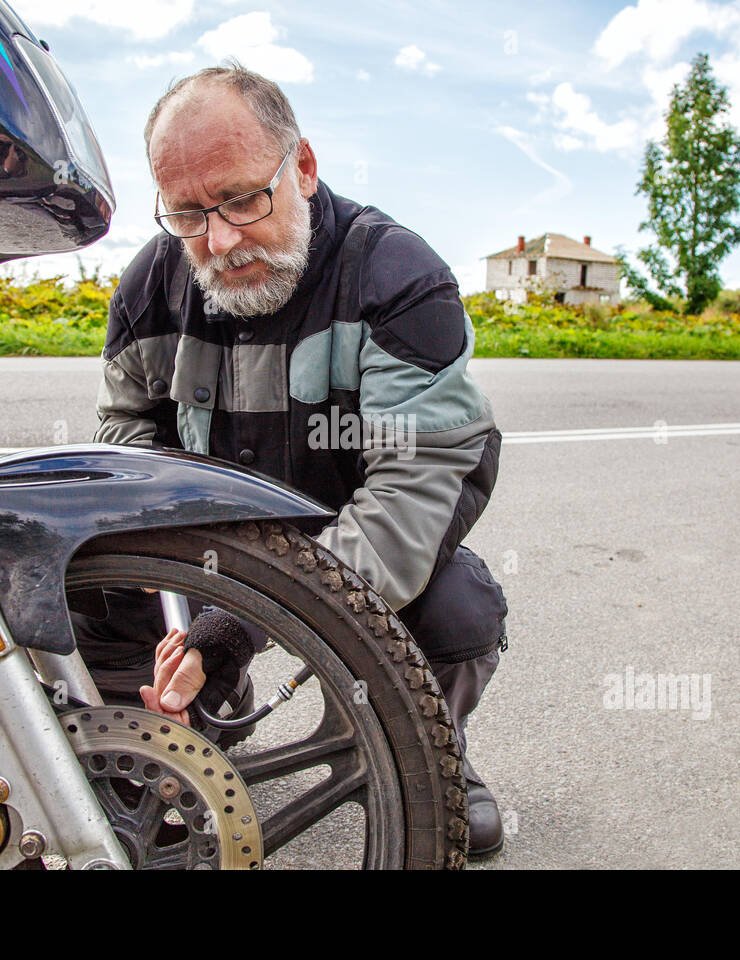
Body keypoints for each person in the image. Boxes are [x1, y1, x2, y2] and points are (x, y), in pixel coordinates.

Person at [91, 62, 507, 858]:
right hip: (208, 552)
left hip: (357, 540)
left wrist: (235, 626)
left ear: (304, 168)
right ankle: (154, 747)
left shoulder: (398, 276)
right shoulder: (148, 282)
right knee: (90, 582)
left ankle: (427, 748)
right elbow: (123, 432)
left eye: (243, 199)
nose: (218, 241)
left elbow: (408, 503)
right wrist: (169, 577)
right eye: (186, 214)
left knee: (458, 609)